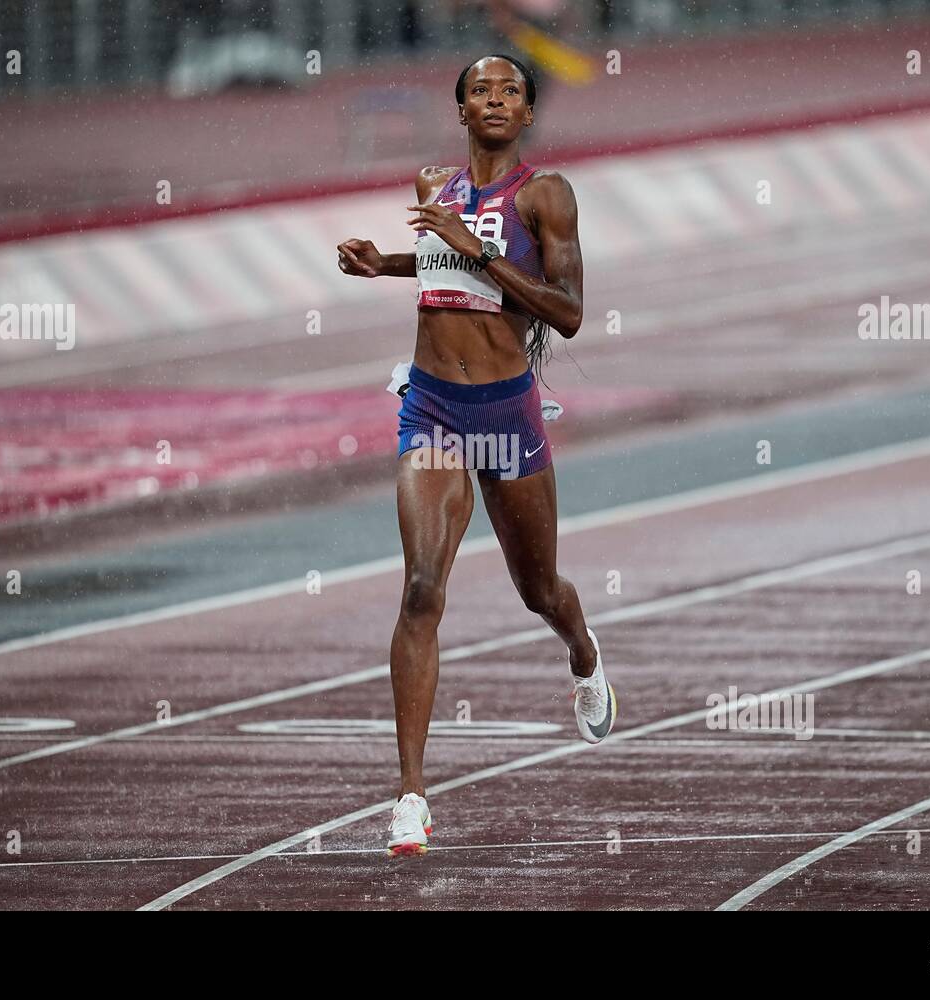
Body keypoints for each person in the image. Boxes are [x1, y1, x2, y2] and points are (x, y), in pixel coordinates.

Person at [336, 53, 616, 857]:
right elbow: (442, 271)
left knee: (539, 590)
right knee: (423, 589)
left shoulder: (546, 195)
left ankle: (584, 651)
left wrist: (478, 248)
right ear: (460, 111)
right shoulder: (433, 185)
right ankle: (411, 798)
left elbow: (567, 312)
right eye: (481, 91)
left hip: (505, 411)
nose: (496, 99)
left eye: (511, 91)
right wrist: (382, 262)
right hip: (432, 408)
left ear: (527, 113)